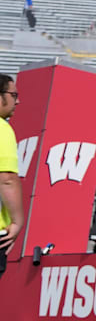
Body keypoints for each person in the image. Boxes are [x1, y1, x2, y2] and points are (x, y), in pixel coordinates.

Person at [0, 73, 23, 258]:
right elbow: (6, 178)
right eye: (13, 95)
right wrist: (17, 221)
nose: (18, 101)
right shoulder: (2, 128)